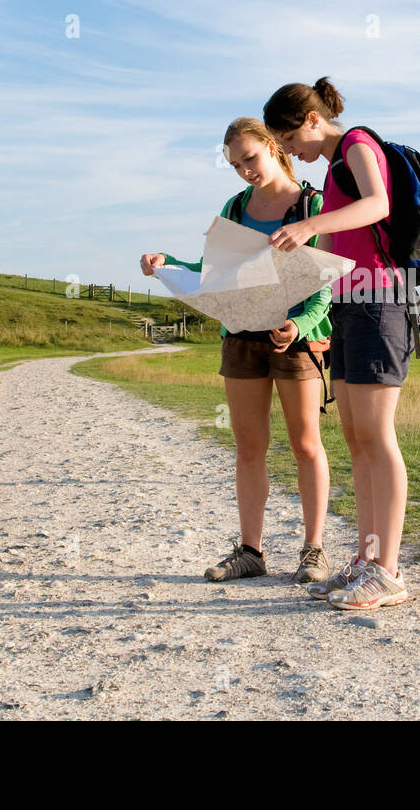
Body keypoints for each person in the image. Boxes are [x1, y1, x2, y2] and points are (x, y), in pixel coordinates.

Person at [139, 117, 333, 585]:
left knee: (306, 444)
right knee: (249, 448)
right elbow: (214, 272)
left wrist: (300, 325)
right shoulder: (235, 205)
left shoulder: (313, 203)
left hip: (297, 339)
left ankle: (314, 550)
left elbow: (326, 283)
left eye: (250, 157)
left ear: (272, 146)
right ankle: (251, 551)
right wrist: (168, 262)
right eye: (235, 164)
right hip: (241, 338)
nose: (245, 170)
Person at [263, 77, 413, 611]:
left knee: (376, 435)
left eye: (289, 143)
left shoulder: (356, 144)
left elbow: (376, 205)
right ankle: (367, 562)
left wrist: (310, 228)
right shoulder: (330, 168)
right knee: (355, 438)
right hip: (349, 305)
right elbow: (331, 248)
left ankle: (388, 572)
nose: (293, 157)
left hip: (381, 303)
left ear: (310, 121)